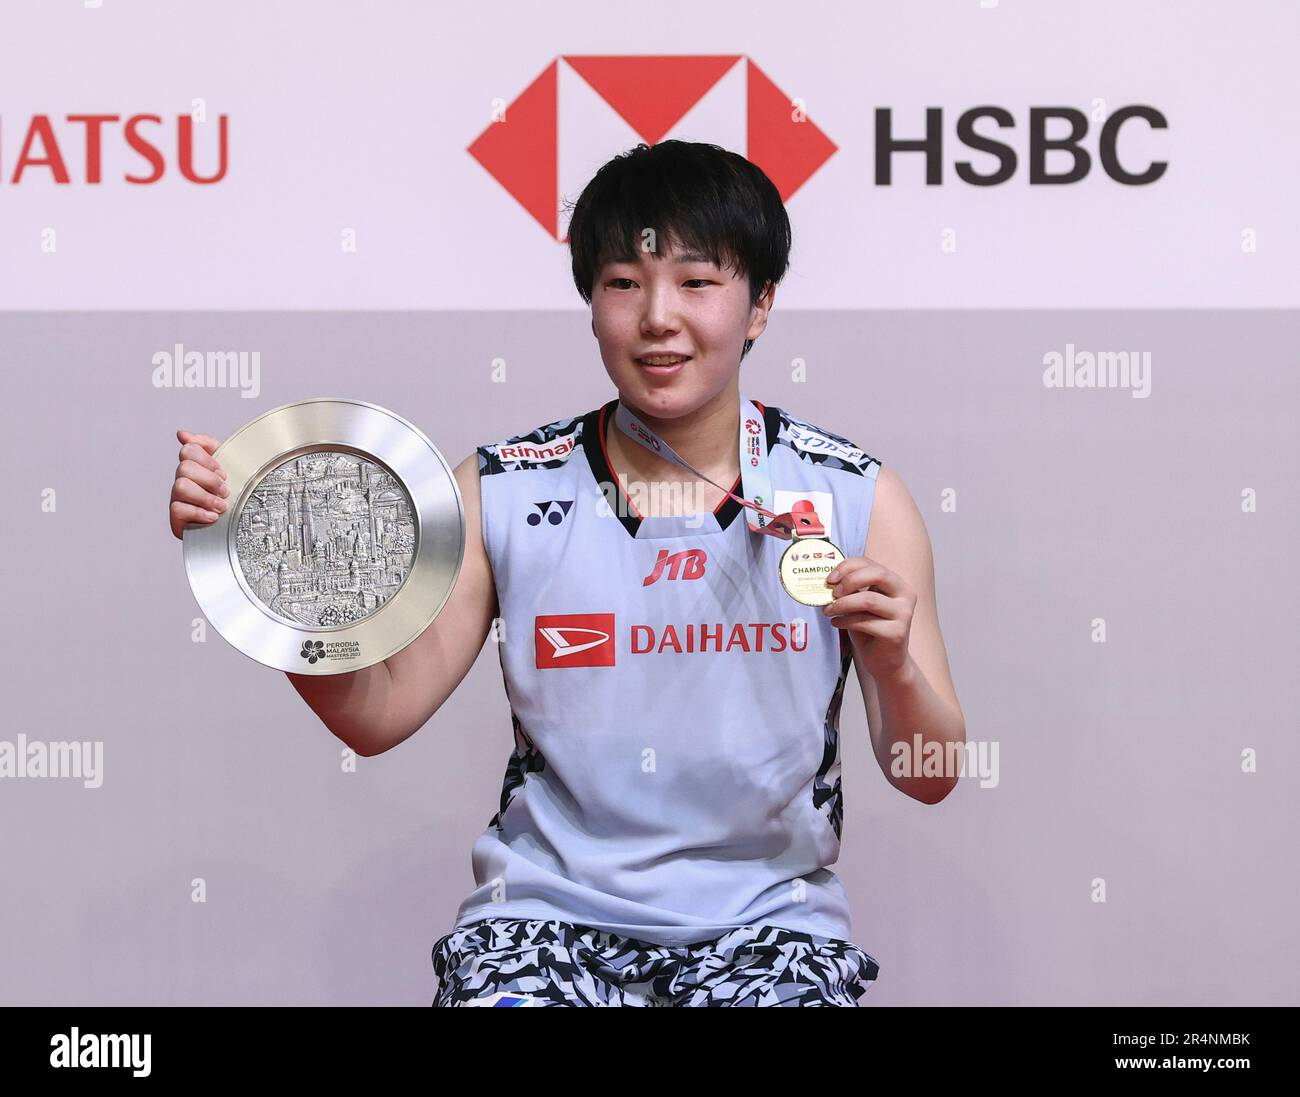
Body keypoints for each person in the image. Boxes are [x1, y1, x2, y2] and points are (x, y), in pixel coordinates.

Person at [168, 140, 966, 1007]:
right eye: (624, 283)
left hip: (772, 926)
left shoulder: (856, 496)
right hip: (538, 925)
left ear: (760, 305)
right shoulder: (502, 488)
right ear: (591, 304)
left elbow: (930, 772)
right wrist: (273, 582)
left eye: (698, 283)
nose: (658, 317)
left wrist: (894, 665)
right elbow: (378, 713)